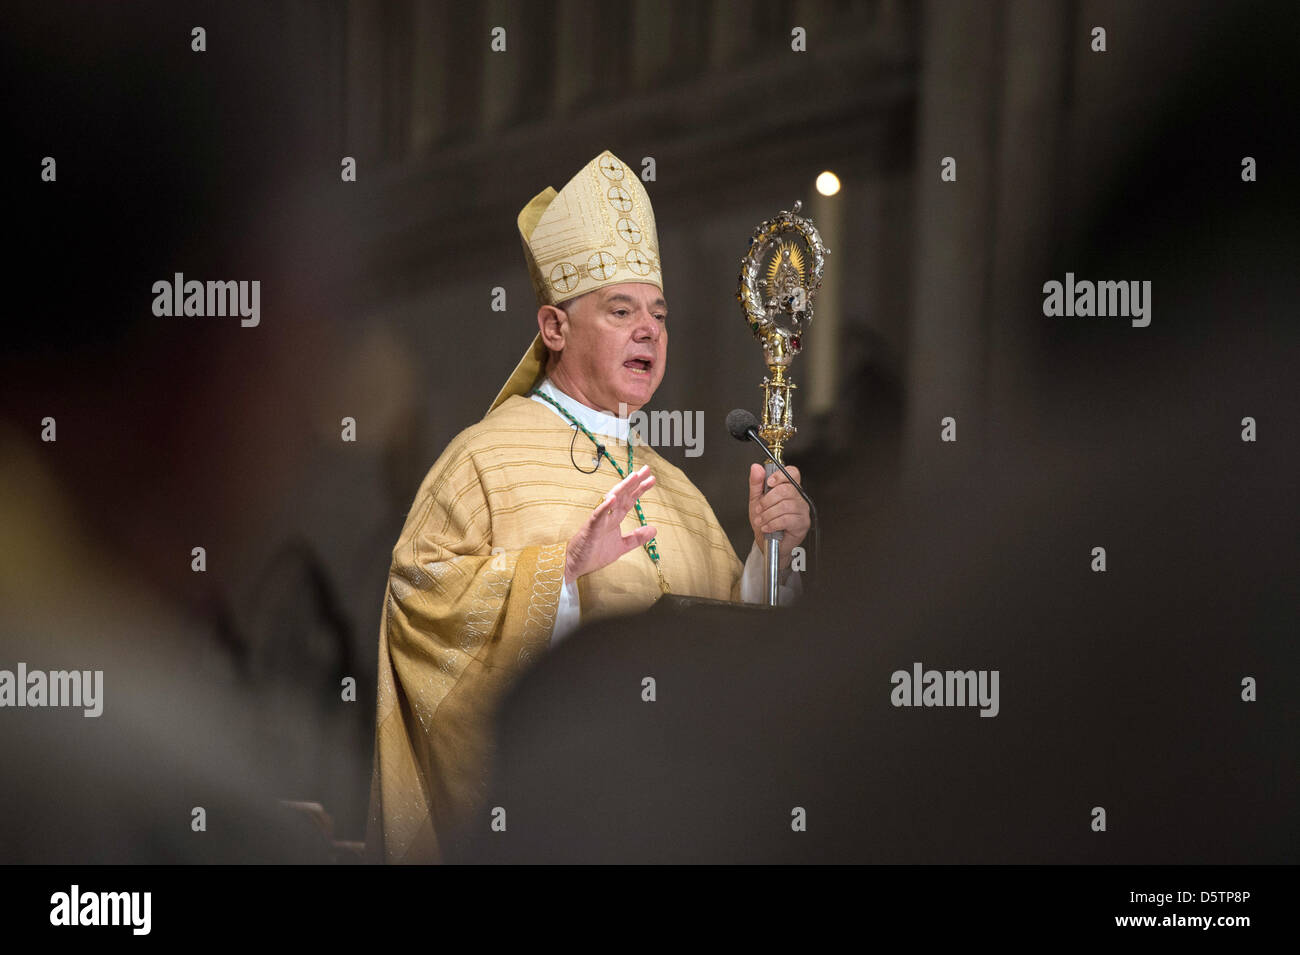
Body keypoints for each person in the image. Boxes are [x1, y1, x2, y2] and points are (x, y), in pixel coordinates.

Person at [365, 149, 812, 863]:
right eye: (621, 310)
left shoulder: (681, 493)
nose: (650, 331)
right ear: (553, 328)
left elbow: (735, 654)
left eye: (659, 314)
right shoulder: (481, 463)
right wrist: (559, 578)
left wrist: (768, 555)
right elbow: (421, 611)